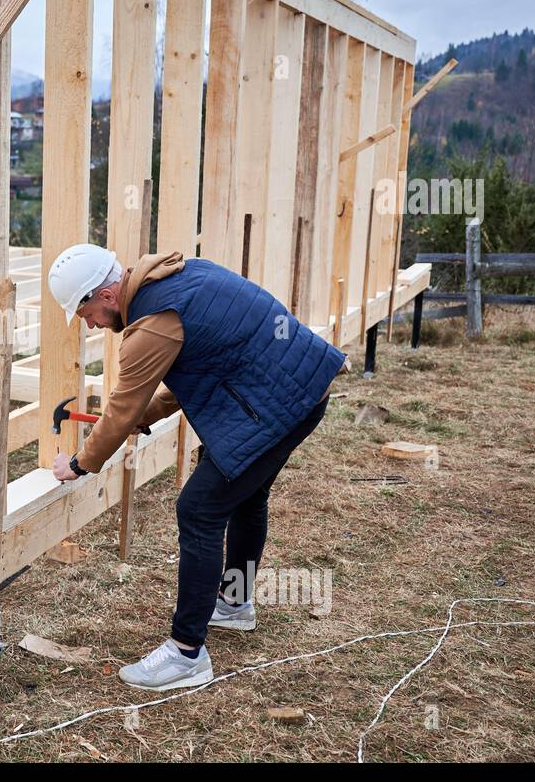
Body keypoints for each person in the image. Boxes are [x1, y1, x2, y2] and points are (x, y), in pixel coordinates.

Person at [46, 243, 345, 690]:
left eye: (84, 311)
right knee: (244, 492)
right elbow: (195, 375)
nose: (88, 323)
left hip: (283, 401)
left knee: (199, 508)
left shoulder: (152, 326)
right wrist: (142, 416)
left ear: (106, 295)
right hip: (296, 387)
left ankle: (186, 654)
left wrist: (79, 462)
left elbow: (122, 409)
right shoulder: (179, 278)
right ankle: (236, 602)